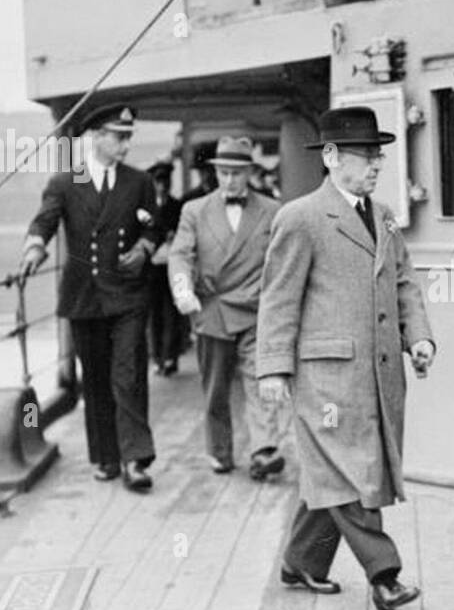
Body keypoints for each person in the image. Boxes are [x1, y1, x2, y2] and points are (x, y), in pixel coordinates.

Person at [256, 107, 435, 610]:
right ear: (331, 157)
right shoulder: (300, 218)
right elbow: (278, 298)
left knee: (338, 472)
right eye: (364, 155)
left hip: (377, 373)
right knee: (353, 472)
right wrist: (272, 367)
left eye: (378, 155)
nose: (376, 164)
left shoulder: (381, 216)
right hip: (326, 376)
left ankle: (301, 562)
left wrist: (418, 337)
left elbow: (403, 282)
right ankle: (386, 575)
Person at [20, 105, 161, 491]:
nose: (126, 146)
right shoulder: (66, 183)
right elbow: (45, 219)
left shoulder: (139, 183)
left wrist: (145, 248)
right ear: (96, 137)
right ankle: (106, 457)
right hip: (84, 297)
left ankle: (136, 459)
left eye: (128, 137)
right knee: (96, 379)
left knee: (129, 374)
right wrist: (35, 247)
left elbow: (156, 226)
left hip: (127, 294)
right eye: (119, 137)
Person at [168, 136, 286, 481]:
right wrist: (182, 288)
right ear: (215, 173)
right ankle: (219, 451)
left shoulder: (272, 210)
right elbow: (180, 254)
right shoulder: (195, 210)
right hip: (213, 309)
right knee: (216, 387)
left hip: (255, 309)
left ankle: (264, 450)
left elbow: (281, 261)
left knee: (259, 380)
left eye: (236, 173)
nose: (230, 180)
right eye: (223, 173)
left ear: (249, 171)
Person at [146, 162, 183, 376]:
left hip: (172, 265)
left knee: (172, 312)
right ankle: (158, 357)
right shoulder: (146, 209)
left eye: (166, 181)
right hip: (152, 268)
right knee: (155, 314)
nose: (163, 186)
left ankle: (170, 356)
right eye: (159, 181)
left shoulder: (178, 207)